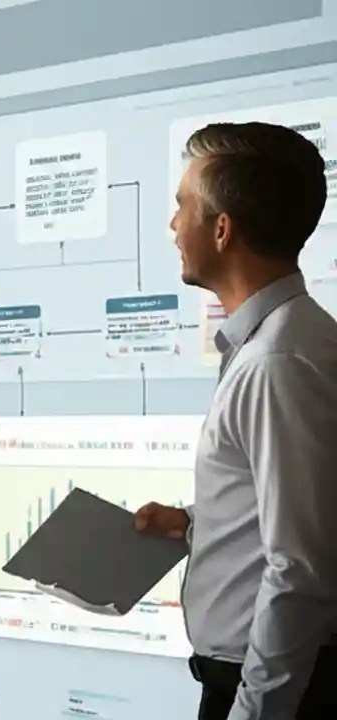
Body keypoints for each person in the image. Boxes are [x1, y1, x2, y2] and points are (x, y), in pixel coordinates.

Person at [134, 121, 337, 720]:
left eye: (182, 207)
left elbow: (300, 570)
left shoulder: (278, 361)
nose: (173, 225)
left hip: (270, 691)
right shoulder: (285, 341)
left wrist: (254, 711)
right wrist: (196, 523)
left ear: (221, 229)